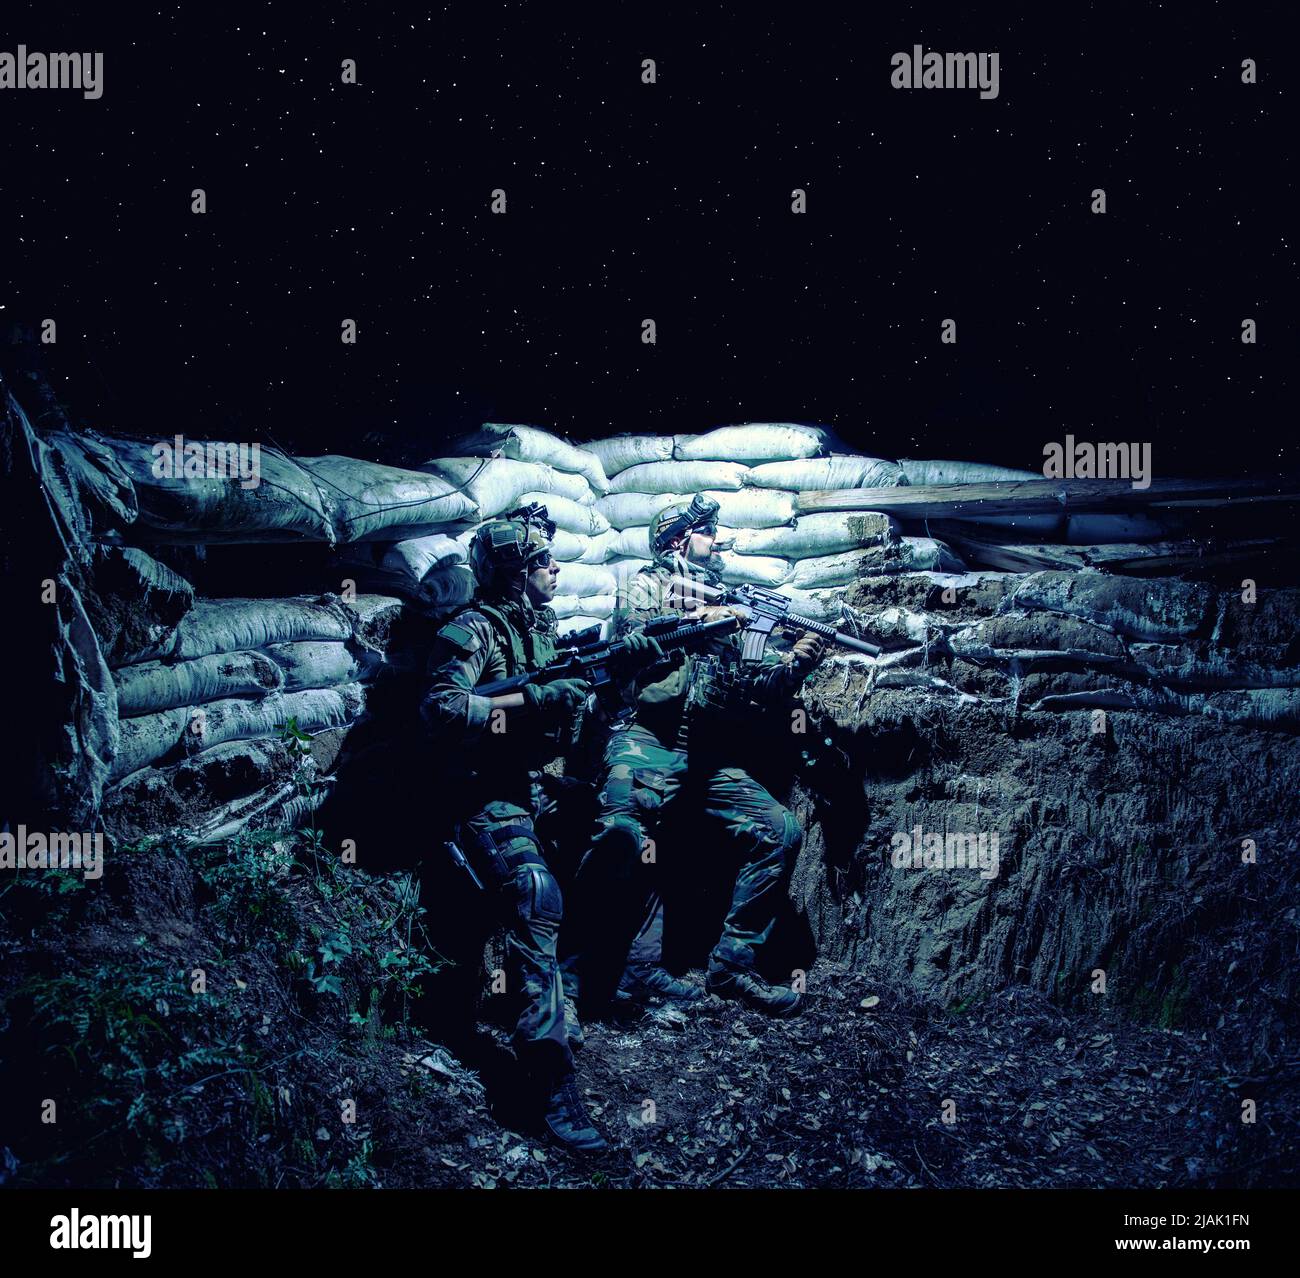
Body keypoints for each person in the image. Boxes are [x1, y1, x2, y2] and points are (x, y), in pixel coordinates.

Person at [560, 494, 827, 1019]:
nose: (719, 540)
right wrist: (710, 615)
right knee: (621, 840)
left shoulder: (731, 601)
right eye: (709, 531)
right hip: (645, 740)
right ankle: (567, 983)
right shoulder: (648, 583)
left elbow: (755, 685)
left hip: (706, 754)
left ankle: (731, 966)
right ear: (682, 538)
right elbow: (636, 633)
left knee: (780, 831)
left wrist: (793, 665)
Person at [419, 506, 607, 1151]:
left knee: (618, 838)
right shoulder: (471, 631)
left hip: (533, 787)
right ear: (511, 575)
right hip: (481, 796)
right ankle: (550, 1081)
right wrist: (529, 701)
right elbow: (442, 711)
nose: (555, 570)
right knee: (535, 894)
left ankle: (567, 991)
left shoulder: (541, 628)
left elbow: (567, 695)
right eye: (540, 564)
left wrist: (612, 677)